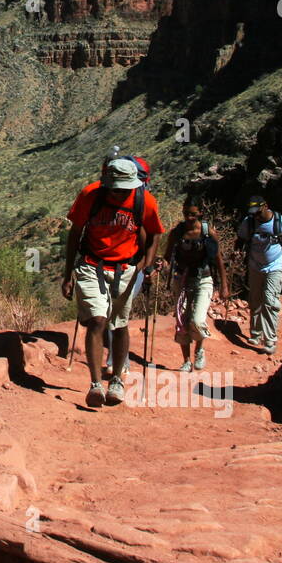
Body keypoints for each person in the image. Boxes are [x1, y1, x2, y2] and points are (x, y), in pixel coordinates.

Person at [62, 157, 164, 406]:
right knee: (97, 321)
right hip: (91, 263)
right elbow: (75, 233)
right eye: (115, 188)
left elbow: (154, 234)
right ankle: (96, 384)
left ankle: (117, 379)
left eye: (124, 188)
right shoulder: (90, 195)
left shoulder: (144, 201)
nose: (119, 193)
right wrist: (68, 274)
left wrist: (148, 265)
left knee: (119, 324)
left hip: (126, 268)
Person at [157, 197, 227, 372]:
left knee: (197, 319)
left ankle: (199, 350)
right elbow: (167, 257)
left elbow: (218, 259)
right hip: (181, 279)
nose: (189, 217)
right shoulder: (177, 233)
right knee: (182, 321)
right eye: (186, 214)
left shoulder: (208, 232)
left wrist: (224, 285)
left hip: (203, 279)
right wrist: (160, 264)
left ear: (200, 214)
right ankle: (186, 360)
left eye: (193, 214)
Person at [235, 193, 282, 355]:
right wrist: (236, 254)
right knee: (255, 300)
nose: (256, 216)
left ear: (265, 206)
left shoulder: (281, 222)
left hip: (275, 266)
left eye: (258, 212)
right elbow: (241, 239)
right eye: (253, 213)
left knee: (270, 301)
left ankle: (270, 340)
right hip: (254, 266)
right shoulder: (250, 222)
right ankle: (256, 333)